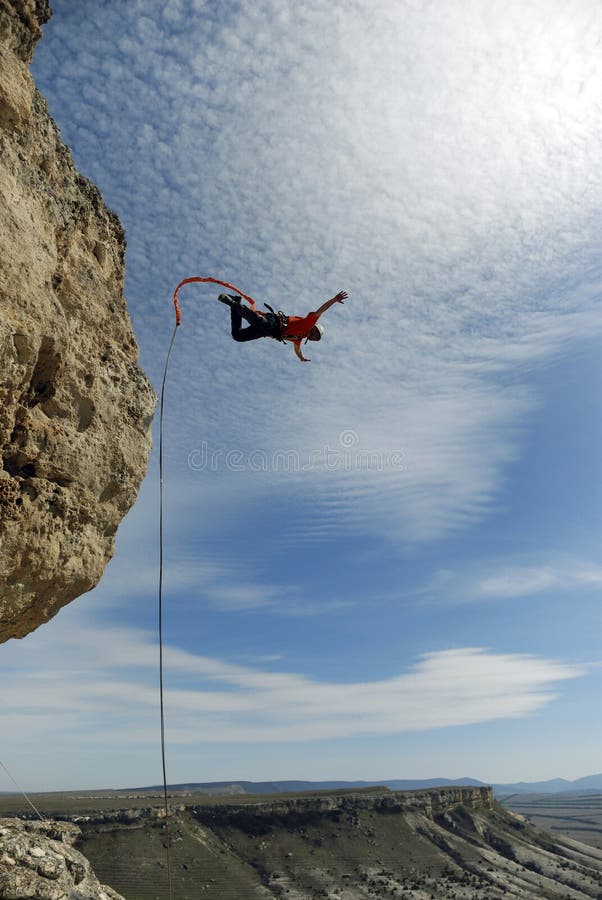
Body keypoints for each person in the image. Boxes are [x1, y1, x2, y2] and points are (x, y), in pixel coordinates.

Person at [218, 290, 348, 362]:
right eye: (315, 334)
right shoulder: (308, 323)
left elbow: (297, 350)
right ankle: (234, 303)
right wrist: (334, 300)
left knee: (238, 336)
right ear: (314, 328)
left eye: (315, 338)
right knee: (257, 321)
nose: (313, 336)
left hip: (267, 332)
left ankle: (236, 303)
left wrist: (301, 358)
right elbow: (321, 310)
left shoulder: (298, 338)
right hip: (273, 323)